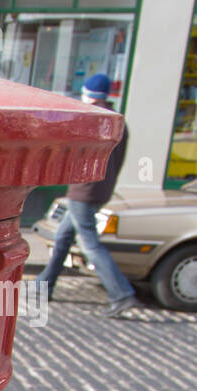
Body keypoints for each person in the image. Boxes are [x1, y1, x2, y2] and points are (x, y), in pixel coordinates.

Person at [36, 72, 138, 318]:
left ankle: (121, 293)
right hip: (100, 190)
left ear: (89, 95)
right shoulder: (119, 122)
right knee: (62, 237)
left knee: (89, 244)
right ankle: (44, 285)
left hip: (84, 190)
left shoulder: (93, 120)